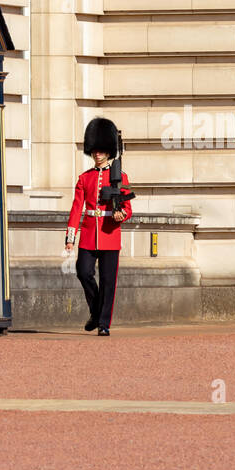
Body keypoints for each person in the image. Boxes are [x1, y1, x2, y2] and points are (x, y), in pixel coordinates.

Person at [64, 117, 134, 335]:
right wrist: (70, 237)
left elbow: (128, 209)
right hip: (88, 233)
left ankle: (103, 324)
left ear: (108, 151)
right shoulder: (85, 178)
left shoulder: (120, 177)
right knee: (83, 272)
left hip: (109, 233)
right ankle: (95, 311)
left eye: (101, 150)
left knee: (108, 281)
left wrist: (120, 214)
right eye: (95, 150)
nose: (97, 154)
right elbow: (77, 208)